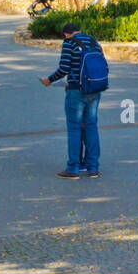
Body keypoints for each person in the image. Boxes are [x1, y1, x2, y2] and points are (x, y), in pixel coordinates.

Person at [40, 22, 102, 178]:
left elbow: (64, 69)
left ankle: (73, 168)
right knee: (91, 127)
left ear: (66, 34)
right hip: (95, 89)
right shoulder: (93, 41)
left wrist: (49, 80)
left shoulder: (69, 43)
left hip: (76, 90)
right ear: (79, 31)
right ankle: (92, 167)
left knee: (74, 128)